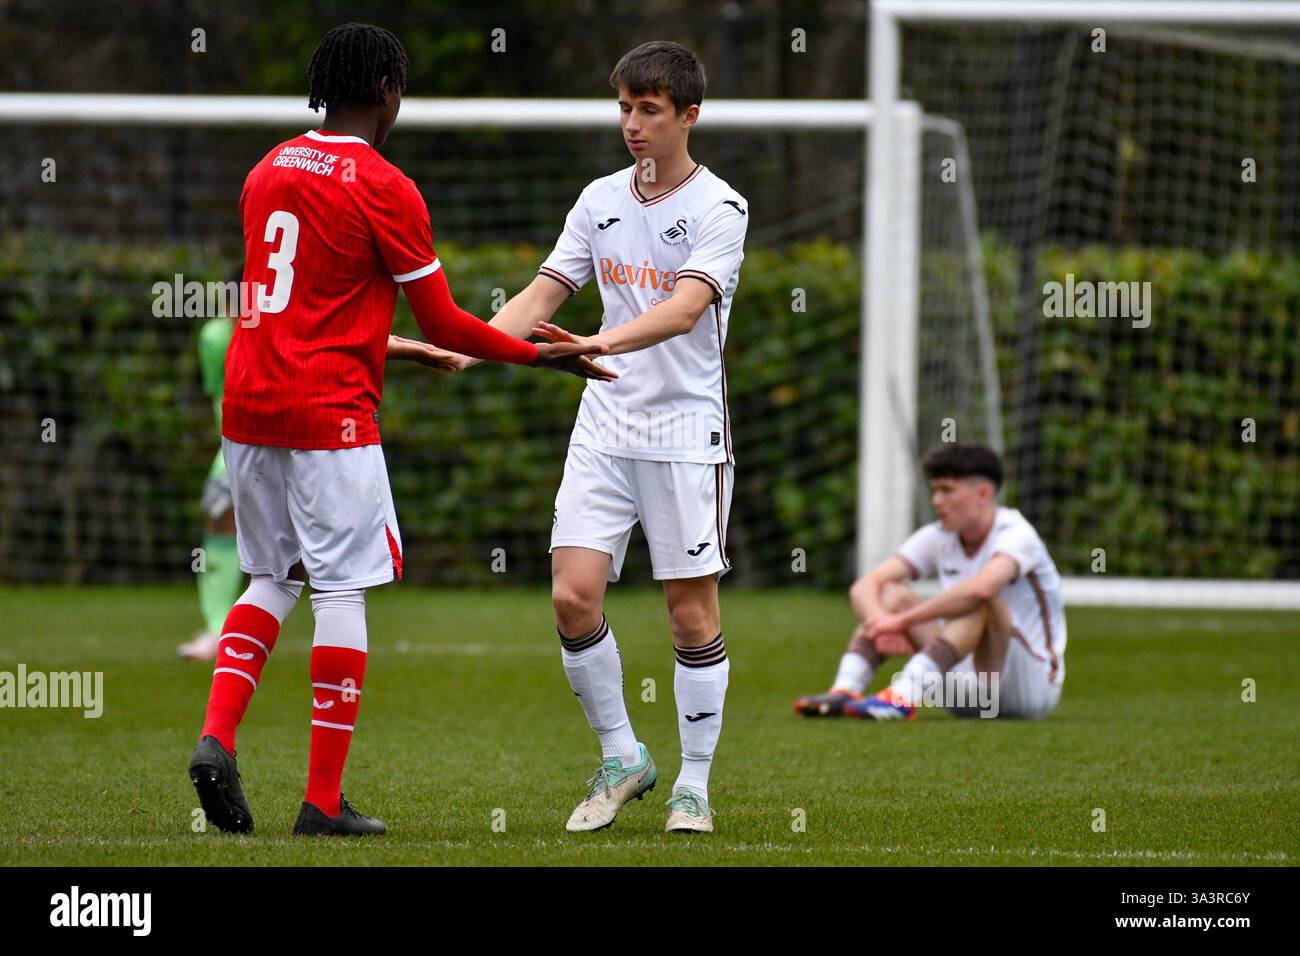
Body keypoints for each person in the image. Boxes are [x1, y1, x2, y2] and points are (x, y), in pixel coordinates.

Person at [188, 22, 613, 838]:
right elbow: (451, 320)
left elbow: (281, 305)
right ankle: (320, 801)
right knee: (340, 589)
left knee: (272, 580)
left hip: (249, 404)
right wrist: (537, 357)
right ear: (387, 90)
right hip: (328, 414)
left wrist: (383, 342)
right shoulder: (385, 185)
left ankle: (217, 737)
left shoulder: (269, 166)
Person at [447, 41, 748, 833]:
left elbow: (684, 309)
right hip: (605, 422)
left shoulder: (721, 208)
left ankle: (696, 784)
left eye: (650, 109)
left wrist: (596, 345)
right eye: (624, 107)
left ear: (689, 115)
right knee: (571, 597)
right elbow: (545, 290)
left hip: (685, 432)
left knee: (690, 617)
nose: (633, 124)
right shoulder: (599, 199)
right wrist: (471, 343)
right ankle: (623, 757)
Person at [794, 443, 1067, 721]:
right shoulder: (938, 535)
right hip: (965, 691)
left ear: (983, 494)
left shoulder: (1017, 533)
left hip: (1028, 691)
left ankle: (904, 693)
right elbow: (865, 586)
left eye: (947, 491)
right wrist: (881, 622)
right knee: (893, 595)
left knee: (980, 599)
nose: (936, 501)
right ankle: (845, 689)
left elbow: (981, 589)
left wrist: (902, 622)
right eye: (935, 490)